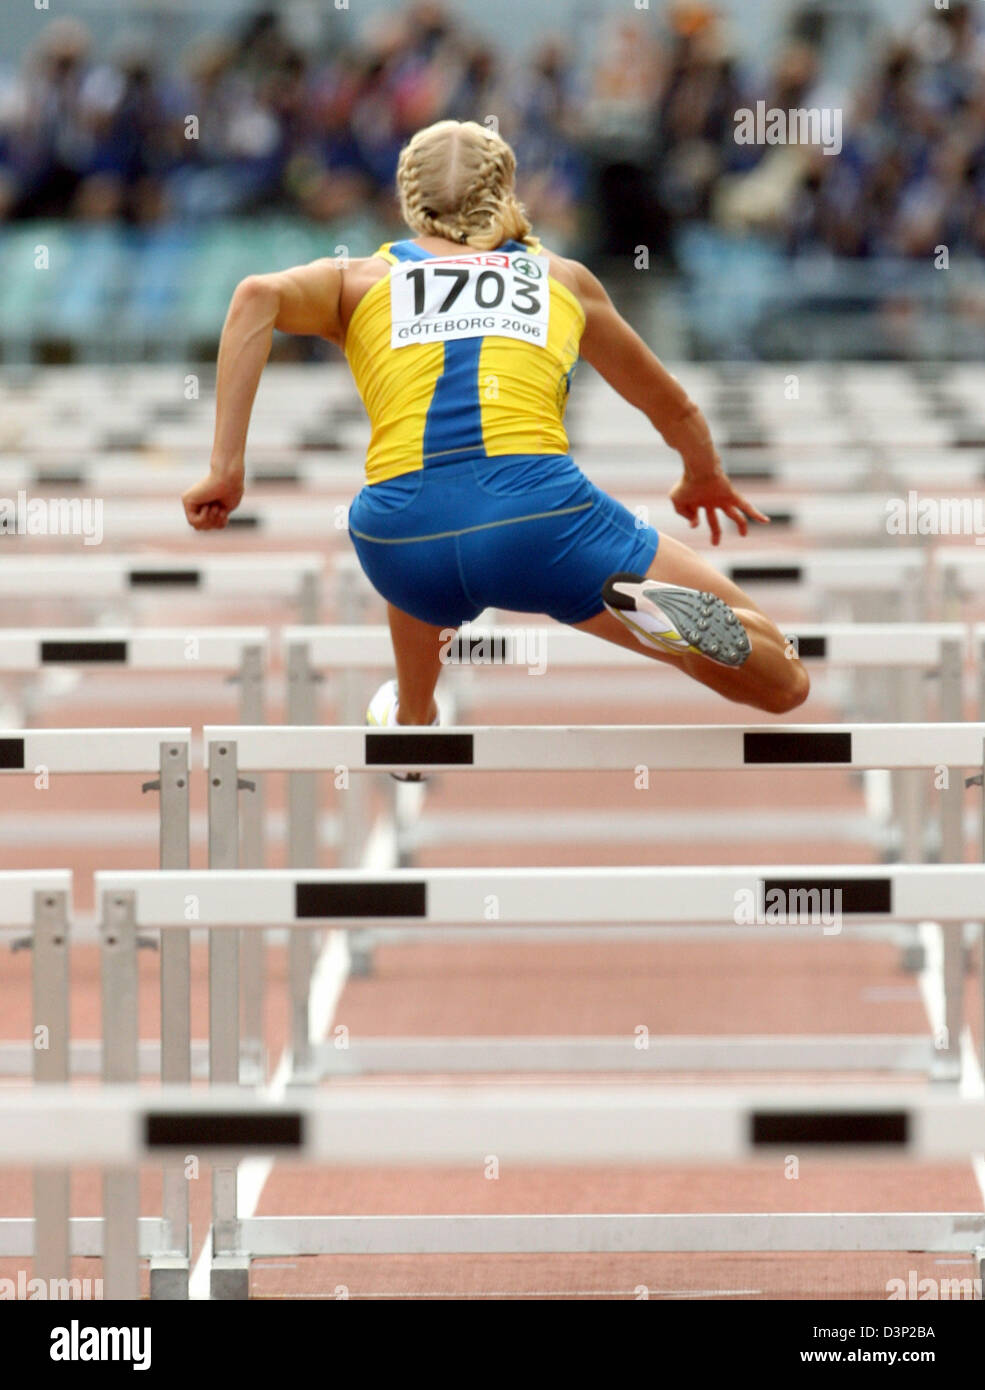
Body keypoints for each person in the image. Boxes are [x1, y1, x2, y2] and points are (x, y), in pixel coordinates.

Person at [184, 119, 809, 734]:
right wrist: (703, 475)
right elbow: (674, 408)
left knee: (426, 514)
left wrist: (226, 470)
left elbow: (253, 298)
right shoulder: (562, 279)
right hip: (534, 522)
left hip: (394, 537)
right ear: (506, 193)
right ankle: (663, 620)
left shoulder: (361, 280)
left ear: (410, 202)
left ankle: (412, 718)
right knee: (784, 679)